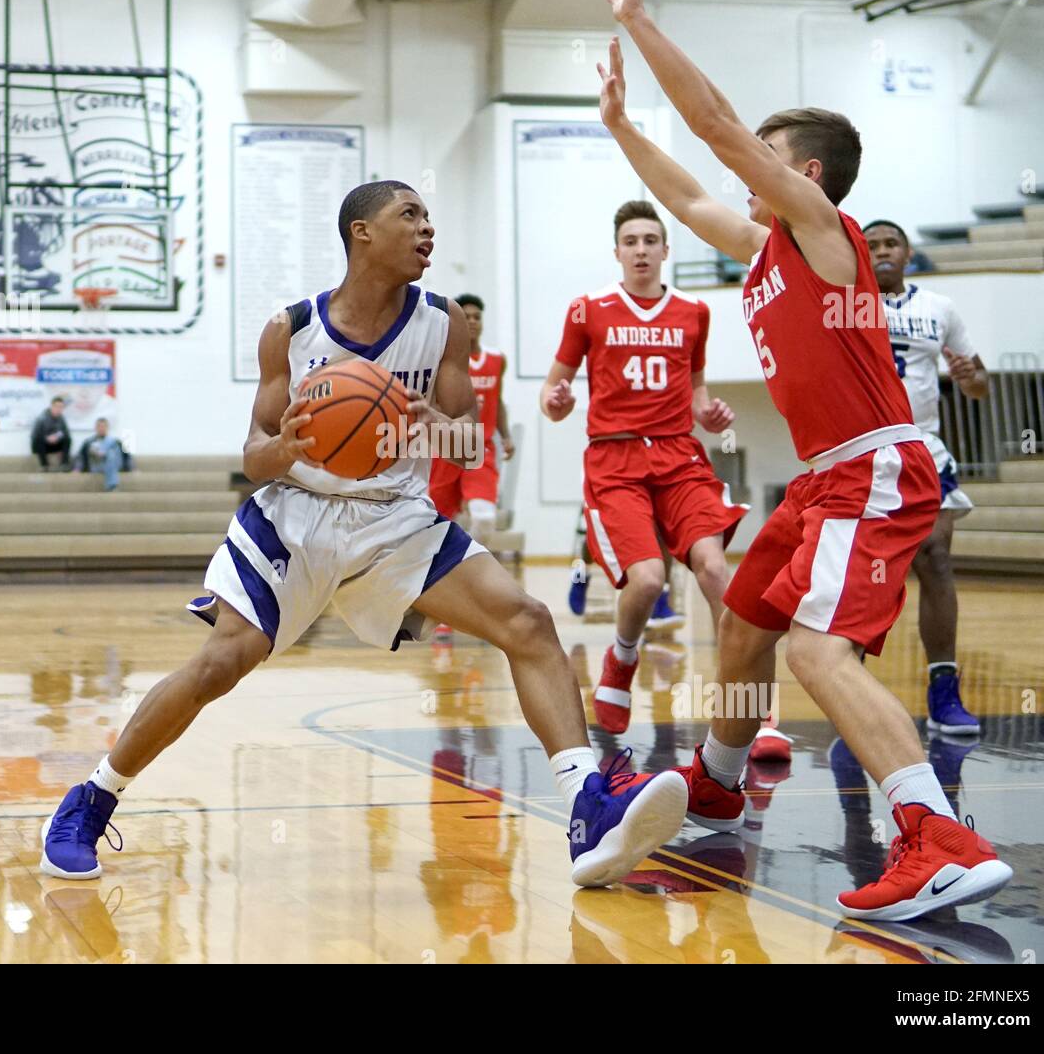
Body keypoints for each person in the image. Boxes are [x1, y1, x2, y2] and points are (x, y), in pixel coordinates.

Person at [39, 180, 688, 888]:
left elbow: (471, 444)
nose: (427, 228)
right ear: (362, 233)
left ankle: (587, 808)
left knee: (528, 622)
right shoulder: (292, 329)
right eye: (410, 215)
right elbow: (253, 456)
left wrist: (433, 425)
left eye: (429, 216)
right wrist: (286, 446)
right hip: (297, 513)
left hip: (393, 515)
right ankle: (89, 802)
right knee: (219, 666)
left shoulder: (443, 322)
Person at [597, 0, 1011, 920]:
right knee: (745, 620)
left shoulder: (822, 233)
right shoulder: (762, 250)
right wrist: (618, 127)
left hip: (876, 469)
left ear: (807, 174)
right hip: (822, 477)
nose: (749, 169)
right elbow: (687, 191)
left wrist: (639, 21)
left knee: (817, 654)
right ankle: (717, 783)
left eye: (767, 158)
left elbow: (714, 128)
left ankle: (936, 836)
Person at [539, 199, 750, 737]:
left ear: (665, 250)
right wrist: (557, 402)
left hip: (679, 455)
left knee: (714, 569)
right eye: (630, 242)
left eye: (649, 241)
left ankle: (746, 698)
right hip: (616, 458)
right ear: (617, 252)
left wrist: (709, 412)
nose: (640, 250)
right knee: (650, 579)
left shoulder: (694, 312)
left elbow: (697, 391)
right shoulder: (588, 310)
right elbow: (552, 392)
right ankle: (623, 655)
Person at [867, 219, 987, 735]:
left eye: (891, 243)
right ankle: (853, 691)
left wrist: (970, 378)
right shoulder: (841, 303)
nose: (882, 251)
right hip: (864, 453)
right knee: (868, 576)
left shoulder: (940, 307)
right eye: (871, 245)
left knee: (936, 558)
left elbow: (979, 383)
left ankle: (944, 689)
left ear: (908, 252)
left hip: (923, 448)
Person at [428, 294, 514, 544]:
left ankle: (469, 560)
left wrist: (506, 436)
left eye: (477, 317)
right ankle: (445, 562)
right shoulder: (440, 358)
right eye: (466, 317)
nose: (473, 322)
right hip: (446, 449)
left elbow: (497, 400)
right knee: (437, 521)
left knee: (484, 518)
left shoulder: (497, 359)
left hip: (480, 449)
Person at [74, 418, 126, 491]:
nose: (101, 428)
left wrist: (133, 468)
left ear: (108, 428)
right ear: (95, 428)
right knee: (100, 448)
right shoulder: (88, 442)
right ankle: (112, 486)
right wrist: (77, 468)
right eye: (99, 426)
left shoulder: (116, 441)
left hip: (113, 464)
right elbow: (80, 456)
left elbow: (126, 457)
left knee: (111, 450)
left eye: (104, 426)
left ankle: (111, 485)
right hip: (97, 465)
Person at [30, 396, 72, 470]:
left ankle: (64, 464)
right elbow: (34, 435)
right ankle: (44, 465)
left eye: (61, 407)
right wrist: (47, 438)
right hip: (42, 445)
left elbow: (65, 432)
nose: (59, 409)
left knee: (67, 439)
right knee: (38, 439)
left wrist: (57, 437)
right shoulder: (41, 418)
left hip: (54, 444)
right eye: (57, 406)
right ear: (52, 406)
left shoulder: (61, 418)